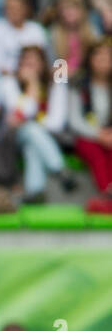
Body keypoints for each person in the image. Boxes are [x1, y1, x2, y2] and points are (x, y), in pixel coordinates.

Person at [1, 43, 75, 202]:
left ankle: (35, 191)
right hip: (14, 139)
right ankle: (59, 168)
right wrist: (32, 85)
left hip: (50, 137)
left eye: (35, 60)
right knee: (30, 130)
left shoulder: (56, 83)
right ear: (19, 64)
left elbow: (57, 122)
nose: (31, 64)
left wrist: (30, 122)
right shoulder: (9, 83)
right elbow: (23, 113)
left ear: (43, 63)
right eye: (26, 60)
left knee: (32, 140)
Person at [69, 37, 112, 210]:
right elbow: (74, 120)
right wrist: (99, 134)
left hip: (109, 136)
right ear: (90, 59)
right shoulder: (79, 84)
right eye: (98, 56)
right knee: (96, 154)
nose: (103, 61)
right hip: (86, 137)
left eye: (107, 57)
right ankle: (107, 194)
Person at [0, 0, 47, 75]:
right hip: (3, 78)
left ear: (26, 8)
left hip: (32, 77)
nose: (12, 12)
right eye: (8, 8)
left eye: (16, 8)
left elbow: (40, 61)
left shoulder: (36, 30)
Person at [47, 0, 95, 84]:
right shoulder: (54, 34)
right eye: (65, 8)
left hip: (86, 81)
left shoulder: (92, 32)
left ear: (81, 10)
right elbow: (52, 67)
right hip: (62, 81)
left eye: (73, 8)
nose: (69, 12)